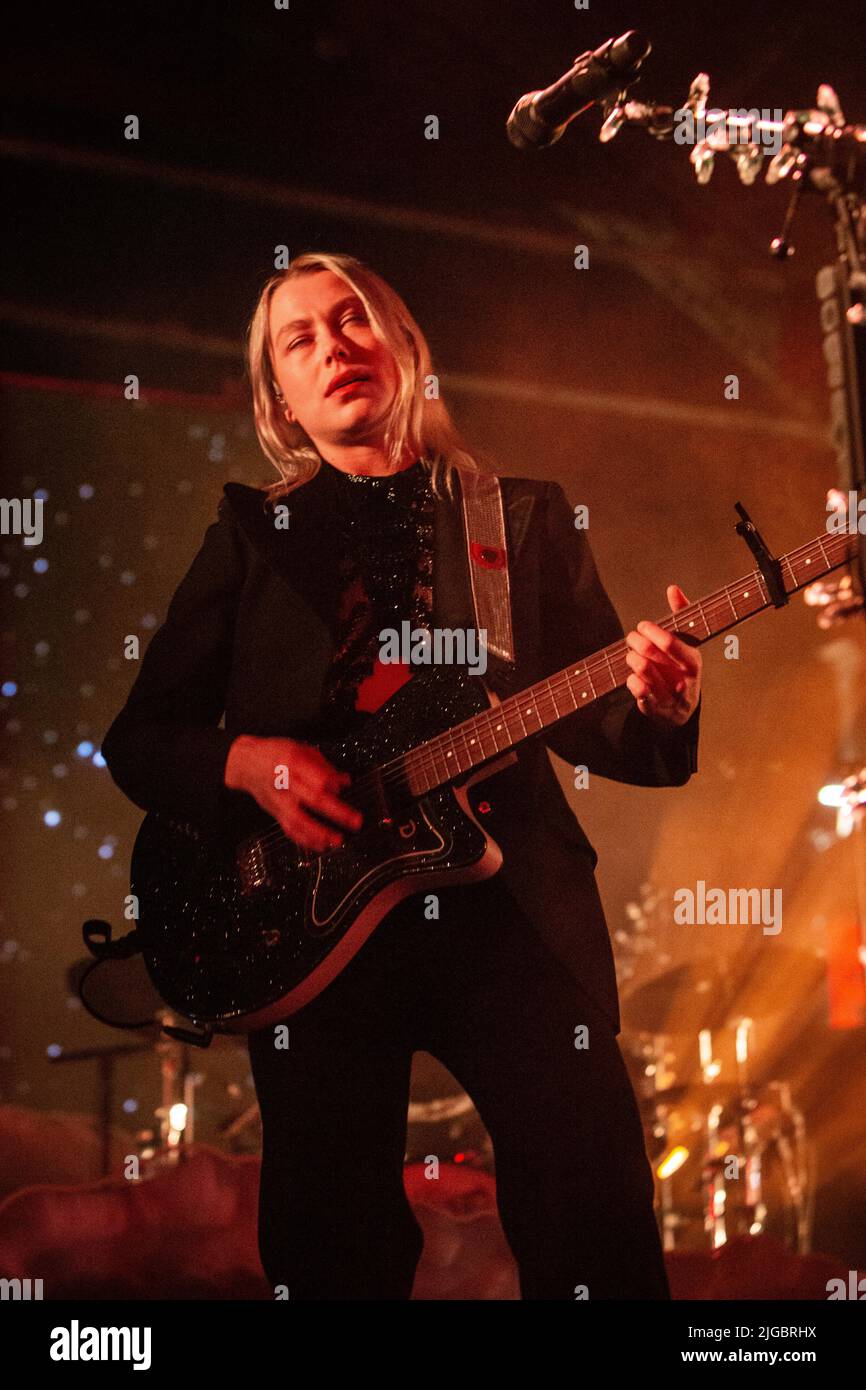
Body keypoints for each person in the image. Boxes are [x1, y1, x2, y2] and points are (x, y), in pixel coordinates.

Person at [102, 251, 702, 1300]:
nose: (334, 346)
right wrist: (247, 760)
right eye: (301, 338)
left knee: (591, 1206)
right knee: (333, 1241)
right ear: (278, 399)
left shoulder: (515, 518)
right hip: (311, 921)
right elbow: (143, 739)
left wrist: (659, 703)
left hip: (506, 904)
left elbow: (602, 724)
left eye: (354, 321)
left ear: (405, 351)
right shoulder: (250, 534)